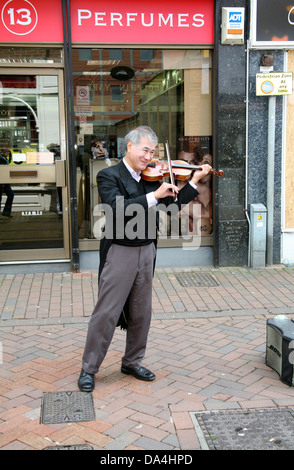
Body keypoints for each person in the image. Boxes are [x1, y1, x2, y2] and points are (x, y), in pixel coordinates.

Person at [78, 126, 211, 392]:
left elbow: (171, 206)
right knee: (106, 312)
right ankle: (89, 369)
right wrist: (154, 195)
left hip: (147, 248)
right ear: (129, 146)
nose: (149, 156)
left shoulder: (152, 177)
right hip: (120, 249)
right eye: (144, 149)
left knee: (141, 312)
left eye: (152, 151)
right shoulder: (108, 175)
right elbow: (116, 209)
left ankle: (132, 361)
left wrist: (194, 182)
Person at [0, 149, 14, 218]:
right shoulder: (1, 159)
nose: (8, 153)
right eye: (6, 152)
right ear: (3, 152)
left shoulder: (5, 159)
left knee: (11, 195)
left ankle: (6, 211)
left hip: (5, 182)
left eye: (8, 152)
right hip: (2, 182)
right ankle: (6, 212)